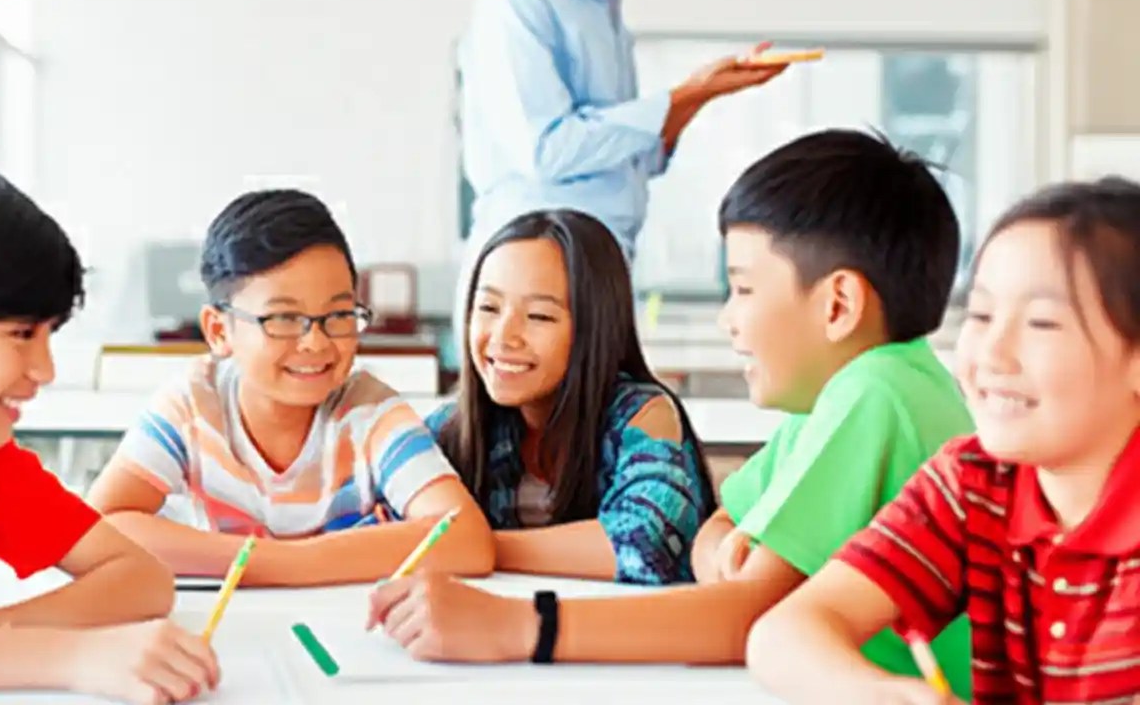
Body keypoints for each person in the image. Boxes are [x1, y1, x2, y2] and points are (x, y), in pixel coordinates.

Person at [365, 132, 970, 689]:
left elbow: (748, 619)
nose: (727, 318)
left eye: (744, 288)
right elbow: (719, 525)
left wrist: (519, 626)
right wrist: (723, 551)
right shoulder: (834, 403)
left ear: (837, 305)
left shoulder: (874, 392)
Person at [748, 177, 1140, 705]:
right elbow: (783, 634)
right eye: (980, 315)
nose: (992, 354)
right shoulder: (974, 481)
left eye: (1043, 323)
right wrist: (892, 697)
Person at [0, 162, 219, 704]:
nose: (45, 370)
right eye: (21, 334)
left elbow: (142, 577)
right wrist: (68, 656)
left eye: (48, 335)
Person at [87, 189, 494, 586]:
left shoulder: (370, 413)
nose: (315, 343)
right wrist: (281, 562)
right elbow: (96, 528)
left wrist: (283, 562)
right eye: (282, 318)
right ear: (218, 330)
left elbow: (466, 540)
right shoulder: (192, 405)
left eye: (338, 315)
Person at [425, 209, 711, 586]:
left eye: (539, 316)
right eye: (489, 308)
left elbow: (642, 547)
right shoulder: (451, 427)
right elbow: (380, 521)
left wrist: (472, 548)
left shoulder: (642, 413)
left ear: (595, 328)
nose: (503, 336)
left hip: (617, 638)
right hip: (497, 635)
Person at [458, 0, 788, 261]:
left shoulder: (604, 4)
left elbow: (635, 156)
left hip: (603, 256)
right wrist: (687, 94)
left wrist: (701, 94)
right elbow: (547, 151)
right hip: (536, 258)